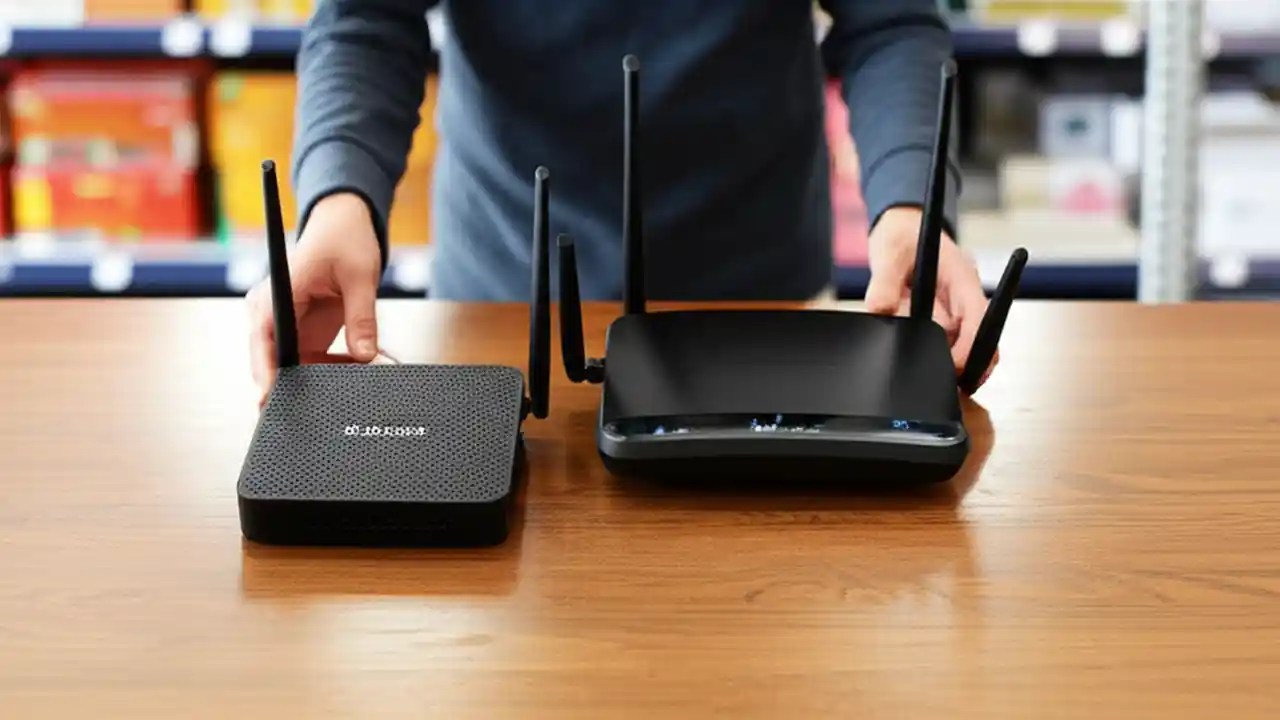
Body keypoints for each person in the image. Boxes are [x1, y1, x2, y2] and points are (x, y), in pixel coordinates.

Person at [246, 1, 995, 402]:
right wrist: (339, 195)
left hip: (756, 304)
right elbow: (366, 18)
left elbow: (890, 22)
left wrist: (910, 207)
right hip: (505, 298)